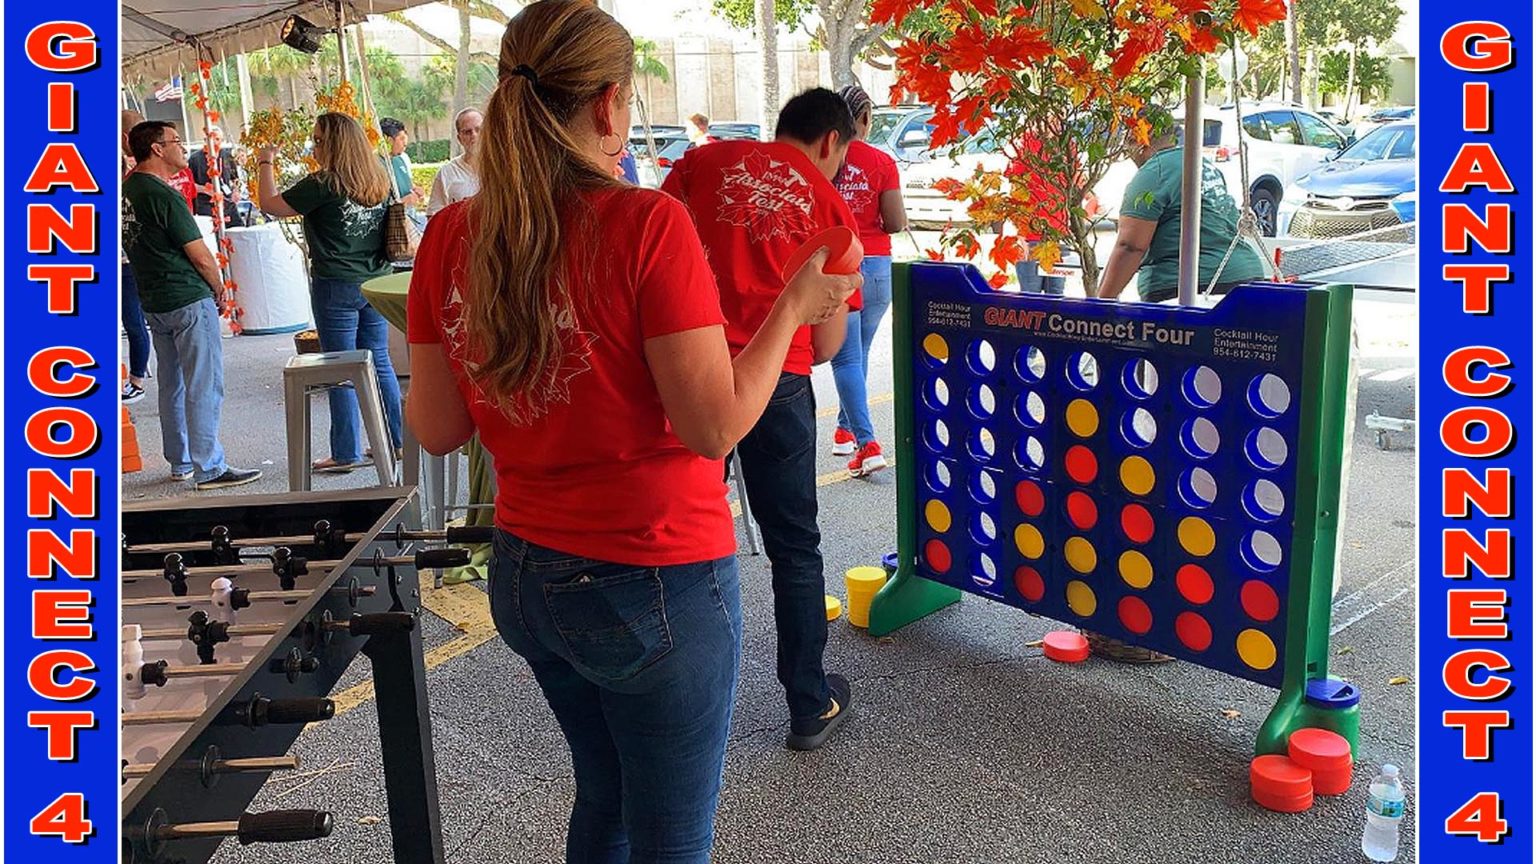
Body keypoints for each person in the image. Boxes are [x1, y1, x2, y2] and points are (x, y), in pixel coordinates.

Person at [403, 3, 857, 860]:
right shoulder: (645, 223)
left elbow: (434, 427)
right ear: (610, 104)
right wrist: (792, 305)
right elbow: (713, 426)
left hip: (527, 572)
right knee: (670, 833)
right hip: (653, 576)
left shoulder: (453, 234)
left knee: (605, 800)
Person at [662, 87, 862, 751]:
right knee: (794, 546)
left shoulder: (699, 162)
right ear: (831, 141)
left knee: (681, 534)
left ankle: (673, 703)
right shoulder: (831, 207)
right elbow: (830, 346)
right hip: (779, 381)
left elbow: (651, 245)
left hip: (693, 370)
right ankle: (809, 701)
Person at [256, 112, 403, 473]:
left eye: (319, 140)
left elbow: (270, 205)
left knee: (340, 366)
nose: (314, 146)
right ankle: (396, 441)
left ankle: (345, 451)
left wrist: (265, 161)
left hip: (335, 282)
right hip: (376, 282)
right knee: (379, 361)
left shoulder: (323, 183)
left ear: (334, 143)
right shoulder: (378, 178)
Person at [123, 120, 262, 490]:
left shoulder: (127, 191)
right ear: (156, 148)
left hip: (154, 297)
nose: (183, 148)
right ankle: (209, 466)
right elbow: (200, 255)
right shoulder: (163, 195)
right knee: (203, 382)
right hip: (185, 295)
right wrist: (219, 288)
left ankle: (181, 460)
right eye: (175, 141)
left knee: (173, 382)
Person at [1095, 113, 1268, 303]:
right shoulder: (1199, 163)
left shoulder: (1155, 171)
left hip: (1193, 286)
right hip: (1246, 275)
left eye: (1127, 141)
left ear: (1138, 138)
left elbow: (1130, 247)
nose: (1126, 150)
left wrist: (1099, 308)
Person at [830, 84, 904, 478]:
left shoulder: (826, 159)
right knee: (857, 353)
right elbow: (895, 223)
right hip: (877, 266)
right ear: (864, 118)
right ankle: (845, 431)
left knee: (846, 358)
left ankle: (867, 441)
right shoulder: (882, 161)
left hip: (839, 264)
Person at [121, 109, 153, 404]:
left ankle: (137, 378)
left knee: (133, 321)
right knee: (135, 320)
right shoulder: (137, 173)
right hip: (130, 258)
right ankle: (138, 374)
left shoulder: (133, 175)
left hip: (127, 260)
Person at [427, 107, 483, 216]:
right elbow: (434, 218)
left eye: (478, 129)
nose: (474, 136)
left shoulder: (501, 169)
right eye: (467, 132)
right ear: (459, 138)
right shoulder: (446, 173)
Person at [188, 125, 242, 224]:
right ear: (205, 140)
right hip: (205, 205)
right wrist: (205, 189)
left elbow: (235, 179)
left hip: (227, 203)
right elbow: (188, 185)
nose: (214, 142)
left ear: (222, 140)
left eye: (217, 139)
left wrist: (236, 191)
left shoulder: (227, 156)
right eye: (211, 139)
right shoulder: (194, 159)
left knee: (238, 229)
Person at [380, 117, 426, 225]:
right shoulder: (377, 164)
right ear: (389, 140)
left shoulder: (401, 159)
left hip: (410, 222)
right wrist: (403, 202)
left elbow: (408, 185)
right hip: (394, 226)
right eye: (401, 138)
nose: (405, 143)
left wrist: (416, 191)